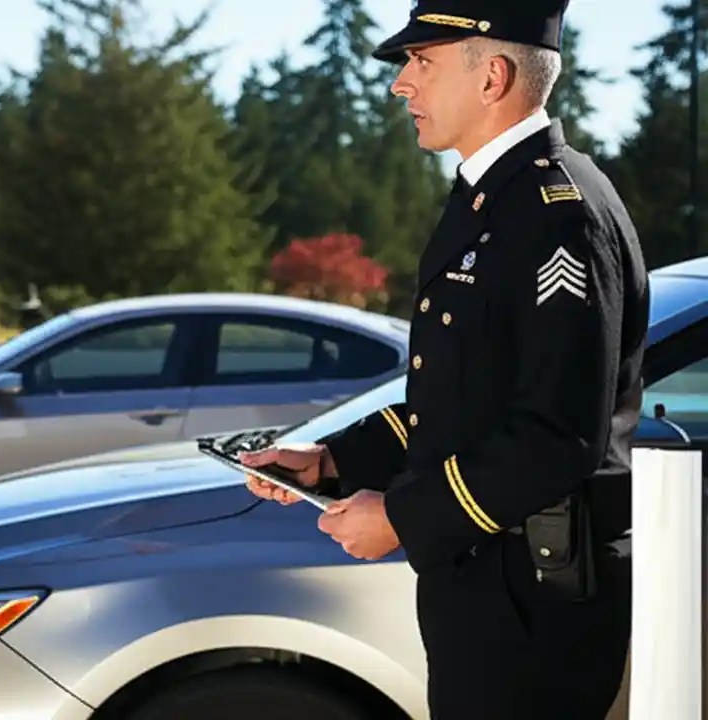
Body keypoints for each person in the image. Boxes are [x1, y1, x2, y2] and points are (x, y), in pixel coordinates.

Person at [240, 2, 648, 719]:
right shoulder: (494, 199)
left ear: (492, 77)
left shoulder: (560, 213)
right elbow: (464, 402)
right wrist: (332, 461)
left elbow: (559, 434)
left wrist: (404, 514)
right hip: (489, 588)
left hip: (534, 605)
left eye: (421, 62)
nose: (402, 84)